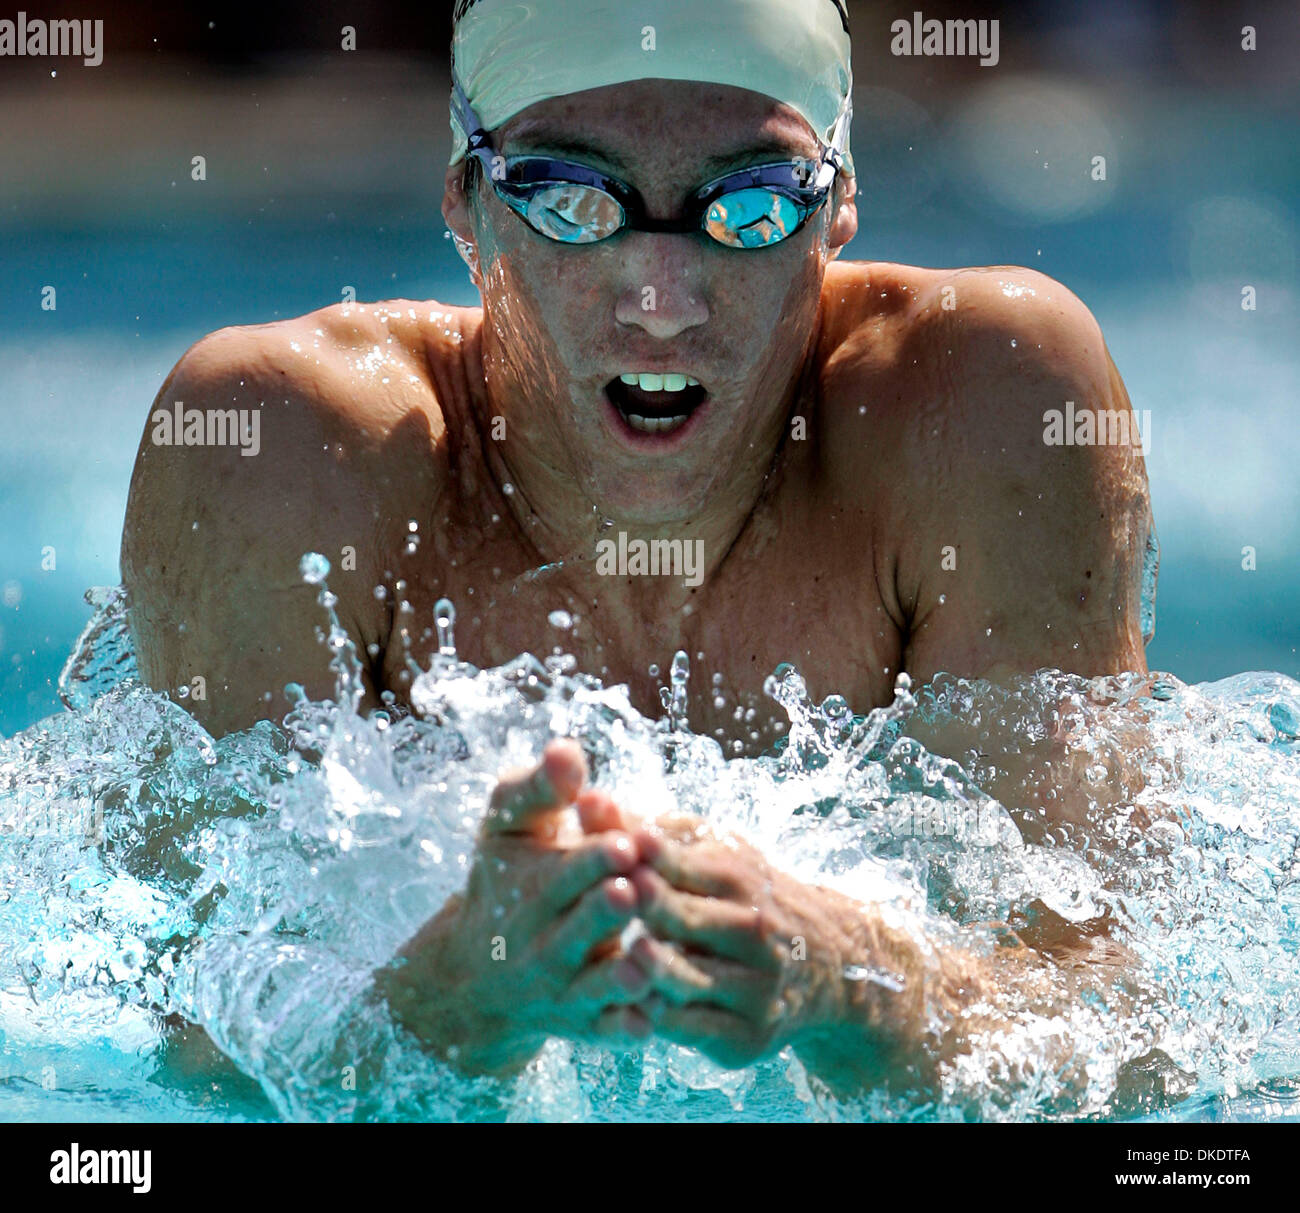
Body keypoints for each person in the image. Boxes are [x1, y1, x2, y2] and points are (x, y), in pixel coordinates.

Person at [121, 0, 1157, 1092]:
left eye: (750, 207)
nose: (662, 303)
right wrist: (456, 1002)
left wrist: (852, 981)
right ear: (468, 205)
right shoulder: (288, 448)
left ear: (840, 201)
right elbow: (186, 1060)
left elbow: (1113, 1040)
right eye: (573, 201)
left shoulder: (984, 405)